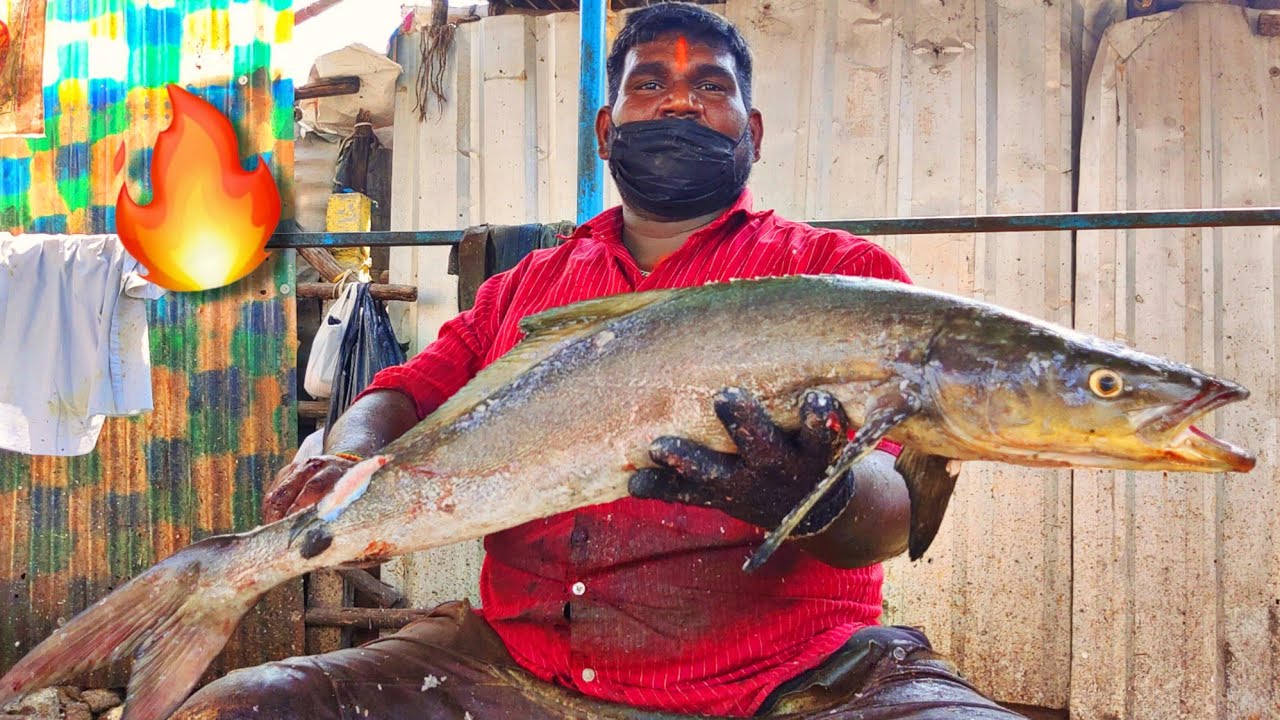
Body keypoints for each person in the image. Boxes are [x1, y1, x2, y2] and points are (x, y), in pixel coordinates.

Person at [173, 4, 1025, 718]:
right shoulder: (527, 289)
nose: (680, 104)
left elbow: (892, 514)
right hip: (512, 667)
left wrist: (821, 497)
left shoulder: (843, 281)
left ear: (752, 132)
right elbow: (404, 392)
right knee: (243, 707)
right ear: (607, 127)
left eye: (710, 87)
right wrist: (347, 457)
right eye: (650, 84)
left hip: (784, 680)